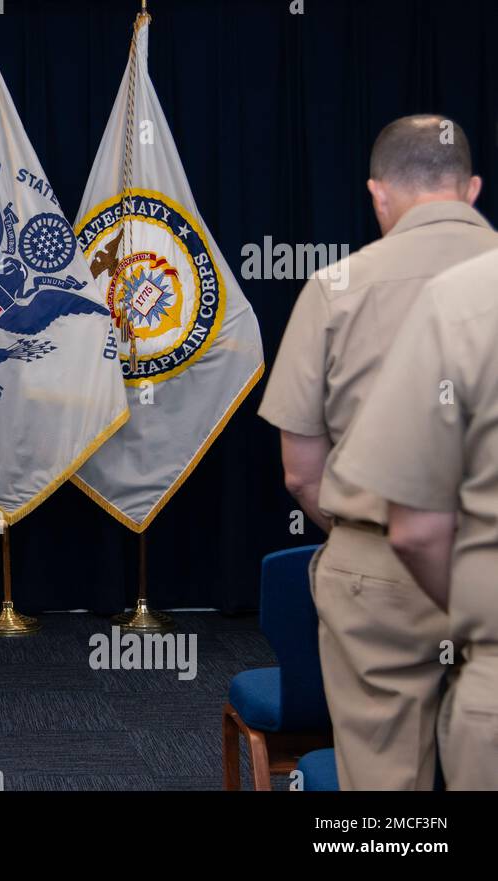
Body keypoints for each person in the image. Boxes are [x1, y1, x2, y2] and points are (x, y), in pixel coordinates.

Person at [257, 114, 498, 789]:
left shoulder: (333, 288)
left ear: (378, 196)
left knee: (385, 796)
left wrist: (370, 535)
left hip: (377, 567)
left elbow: (301, 471)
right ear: (473, 189)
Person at [333, 247, 498, 790]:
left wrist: (473, 603)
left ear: (378, 193)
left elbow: (416, 531)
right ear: (473, 188)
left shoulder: (460, 298)